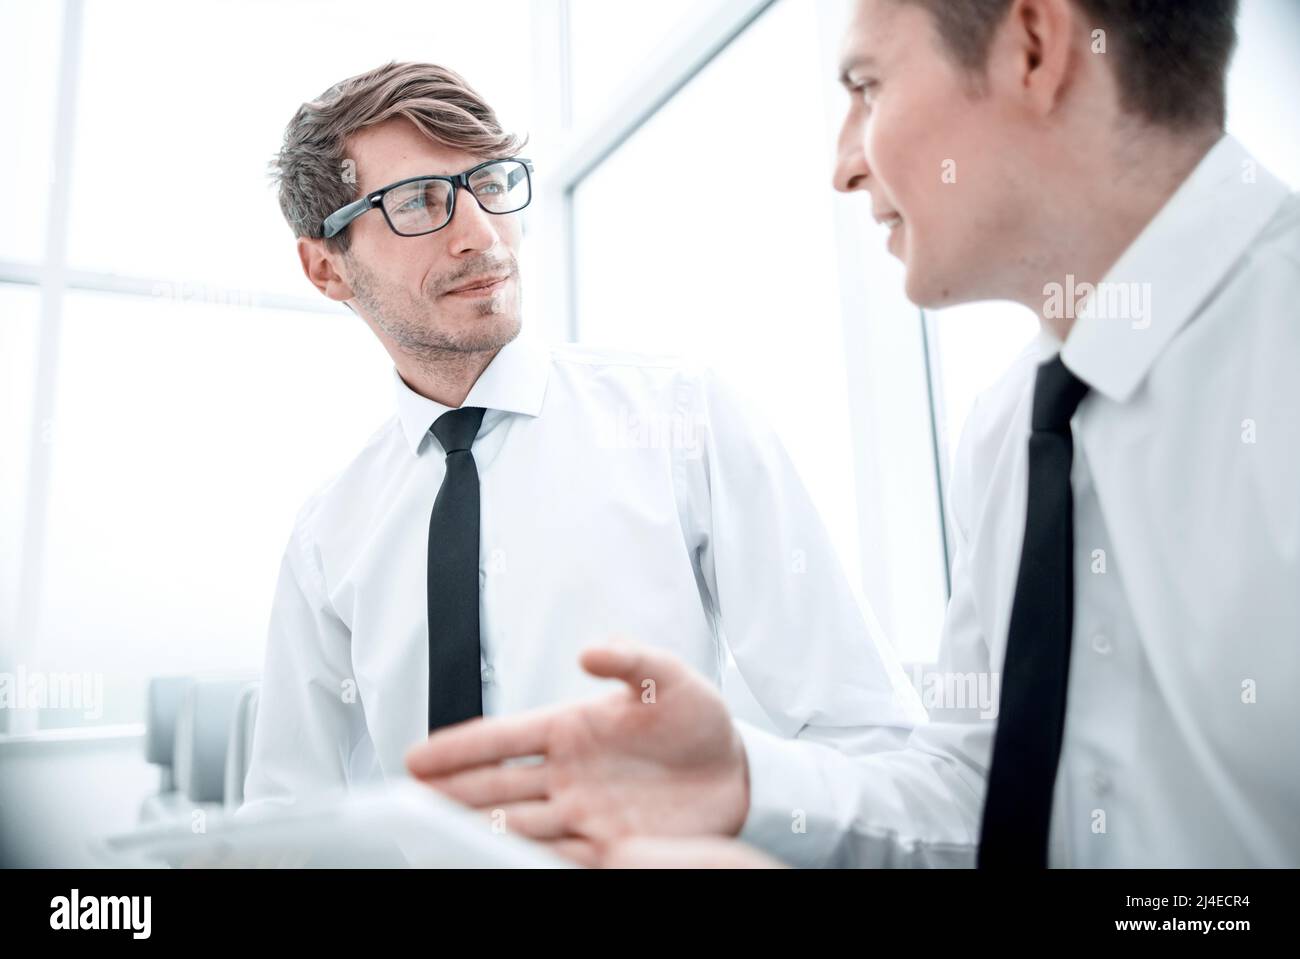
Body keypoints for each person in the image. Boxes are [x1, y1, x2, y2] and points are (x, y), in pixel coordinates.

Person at [406, 0, 1300, 868]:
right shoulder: (1016, 428)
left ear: (1032, 48)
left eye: (866, 87)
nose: (843, 165)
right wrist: (748, 786)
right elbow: (973, 801)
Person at [240, 61, 926, 821]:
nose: (480, 235)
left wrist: (726, 807)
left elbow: (869, 736)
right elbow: (287, 819)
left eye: (491, 183)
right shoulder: (326, 537)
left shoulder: (680, 423)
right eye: (419, 201)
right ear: (325, 266)